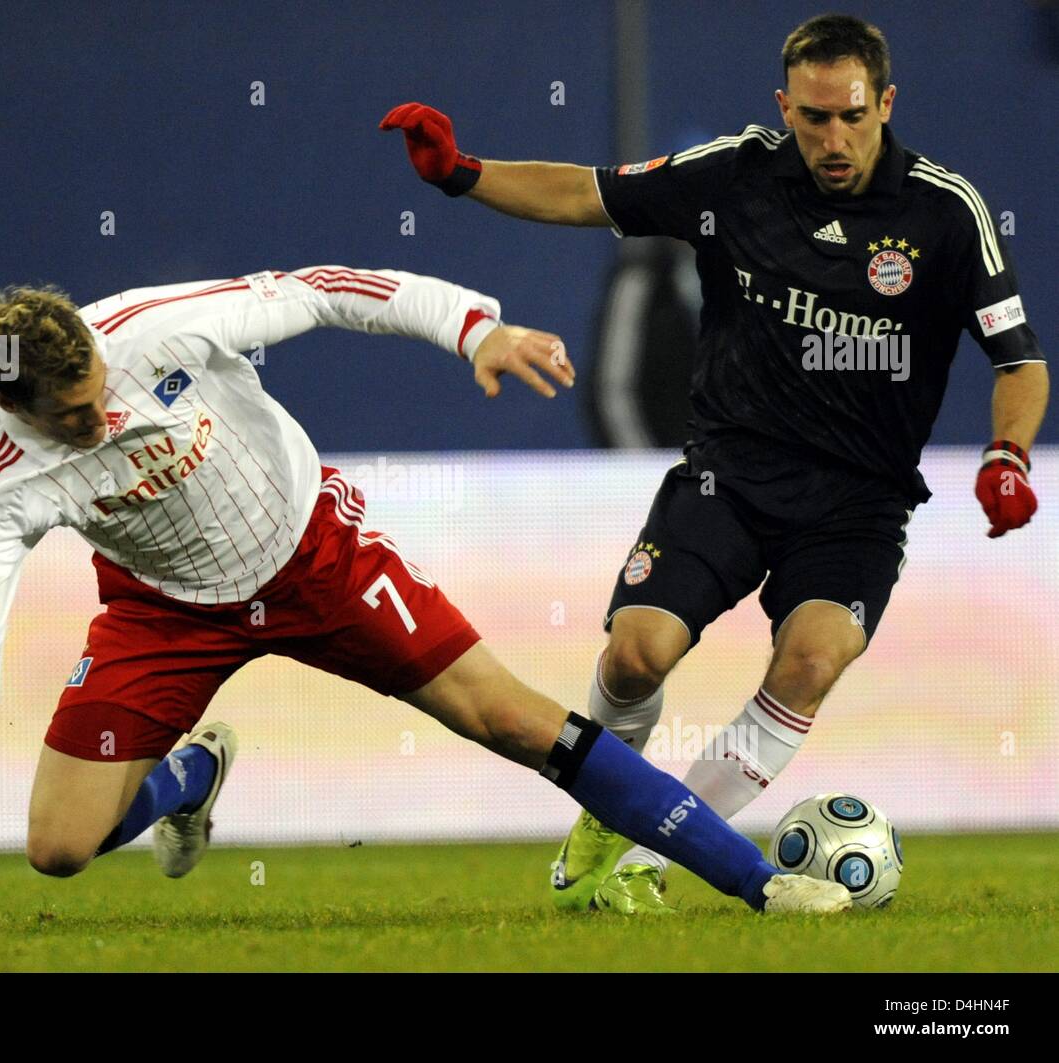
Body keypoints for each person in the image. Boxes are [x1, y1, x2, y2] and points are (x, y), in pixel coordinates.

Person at [0, 264, 851, 930]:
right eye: (73, 417)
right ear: (15, 411)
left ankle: (762, 884)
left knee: (513, 718)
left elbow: (325, 290)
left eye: (101, 389)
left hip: (315, 554)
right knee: (56, 846)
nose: (103, 416)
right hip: (163, 607)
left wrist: (473, 325)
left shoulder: (155, 328)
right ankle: (187, 779)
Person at [380, 12, 1048, 914]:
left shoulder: (946, 212)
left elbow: (1019, 361)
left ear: (885, 103)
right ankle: (612, 808)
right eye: (813, 118)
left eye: (852, 115)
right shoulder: (734, 175)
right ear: (785, 107)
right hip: (725, 478)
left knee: (811, 660)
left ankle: (656, 859)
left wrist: (1009, 454)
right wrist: (462, 176)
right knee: (633, 658)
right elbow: (587, 193)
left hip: (859, 502)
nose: (833, 138)